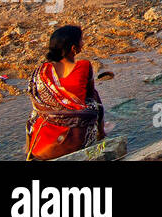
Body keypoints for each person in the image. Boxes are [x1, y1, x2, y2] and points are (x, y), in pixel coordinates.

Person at [26, 25, 105, 161]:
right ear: (74, 48)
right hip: (74, 141)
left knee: (35, 113)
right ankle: (100, 135)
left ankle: (28, 151)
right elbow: (91, 94)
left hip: (41, 150)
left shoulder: (41, 71)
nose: (83, 43)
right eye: (81, 40)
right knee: (94, 102)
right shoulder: (84, 66)